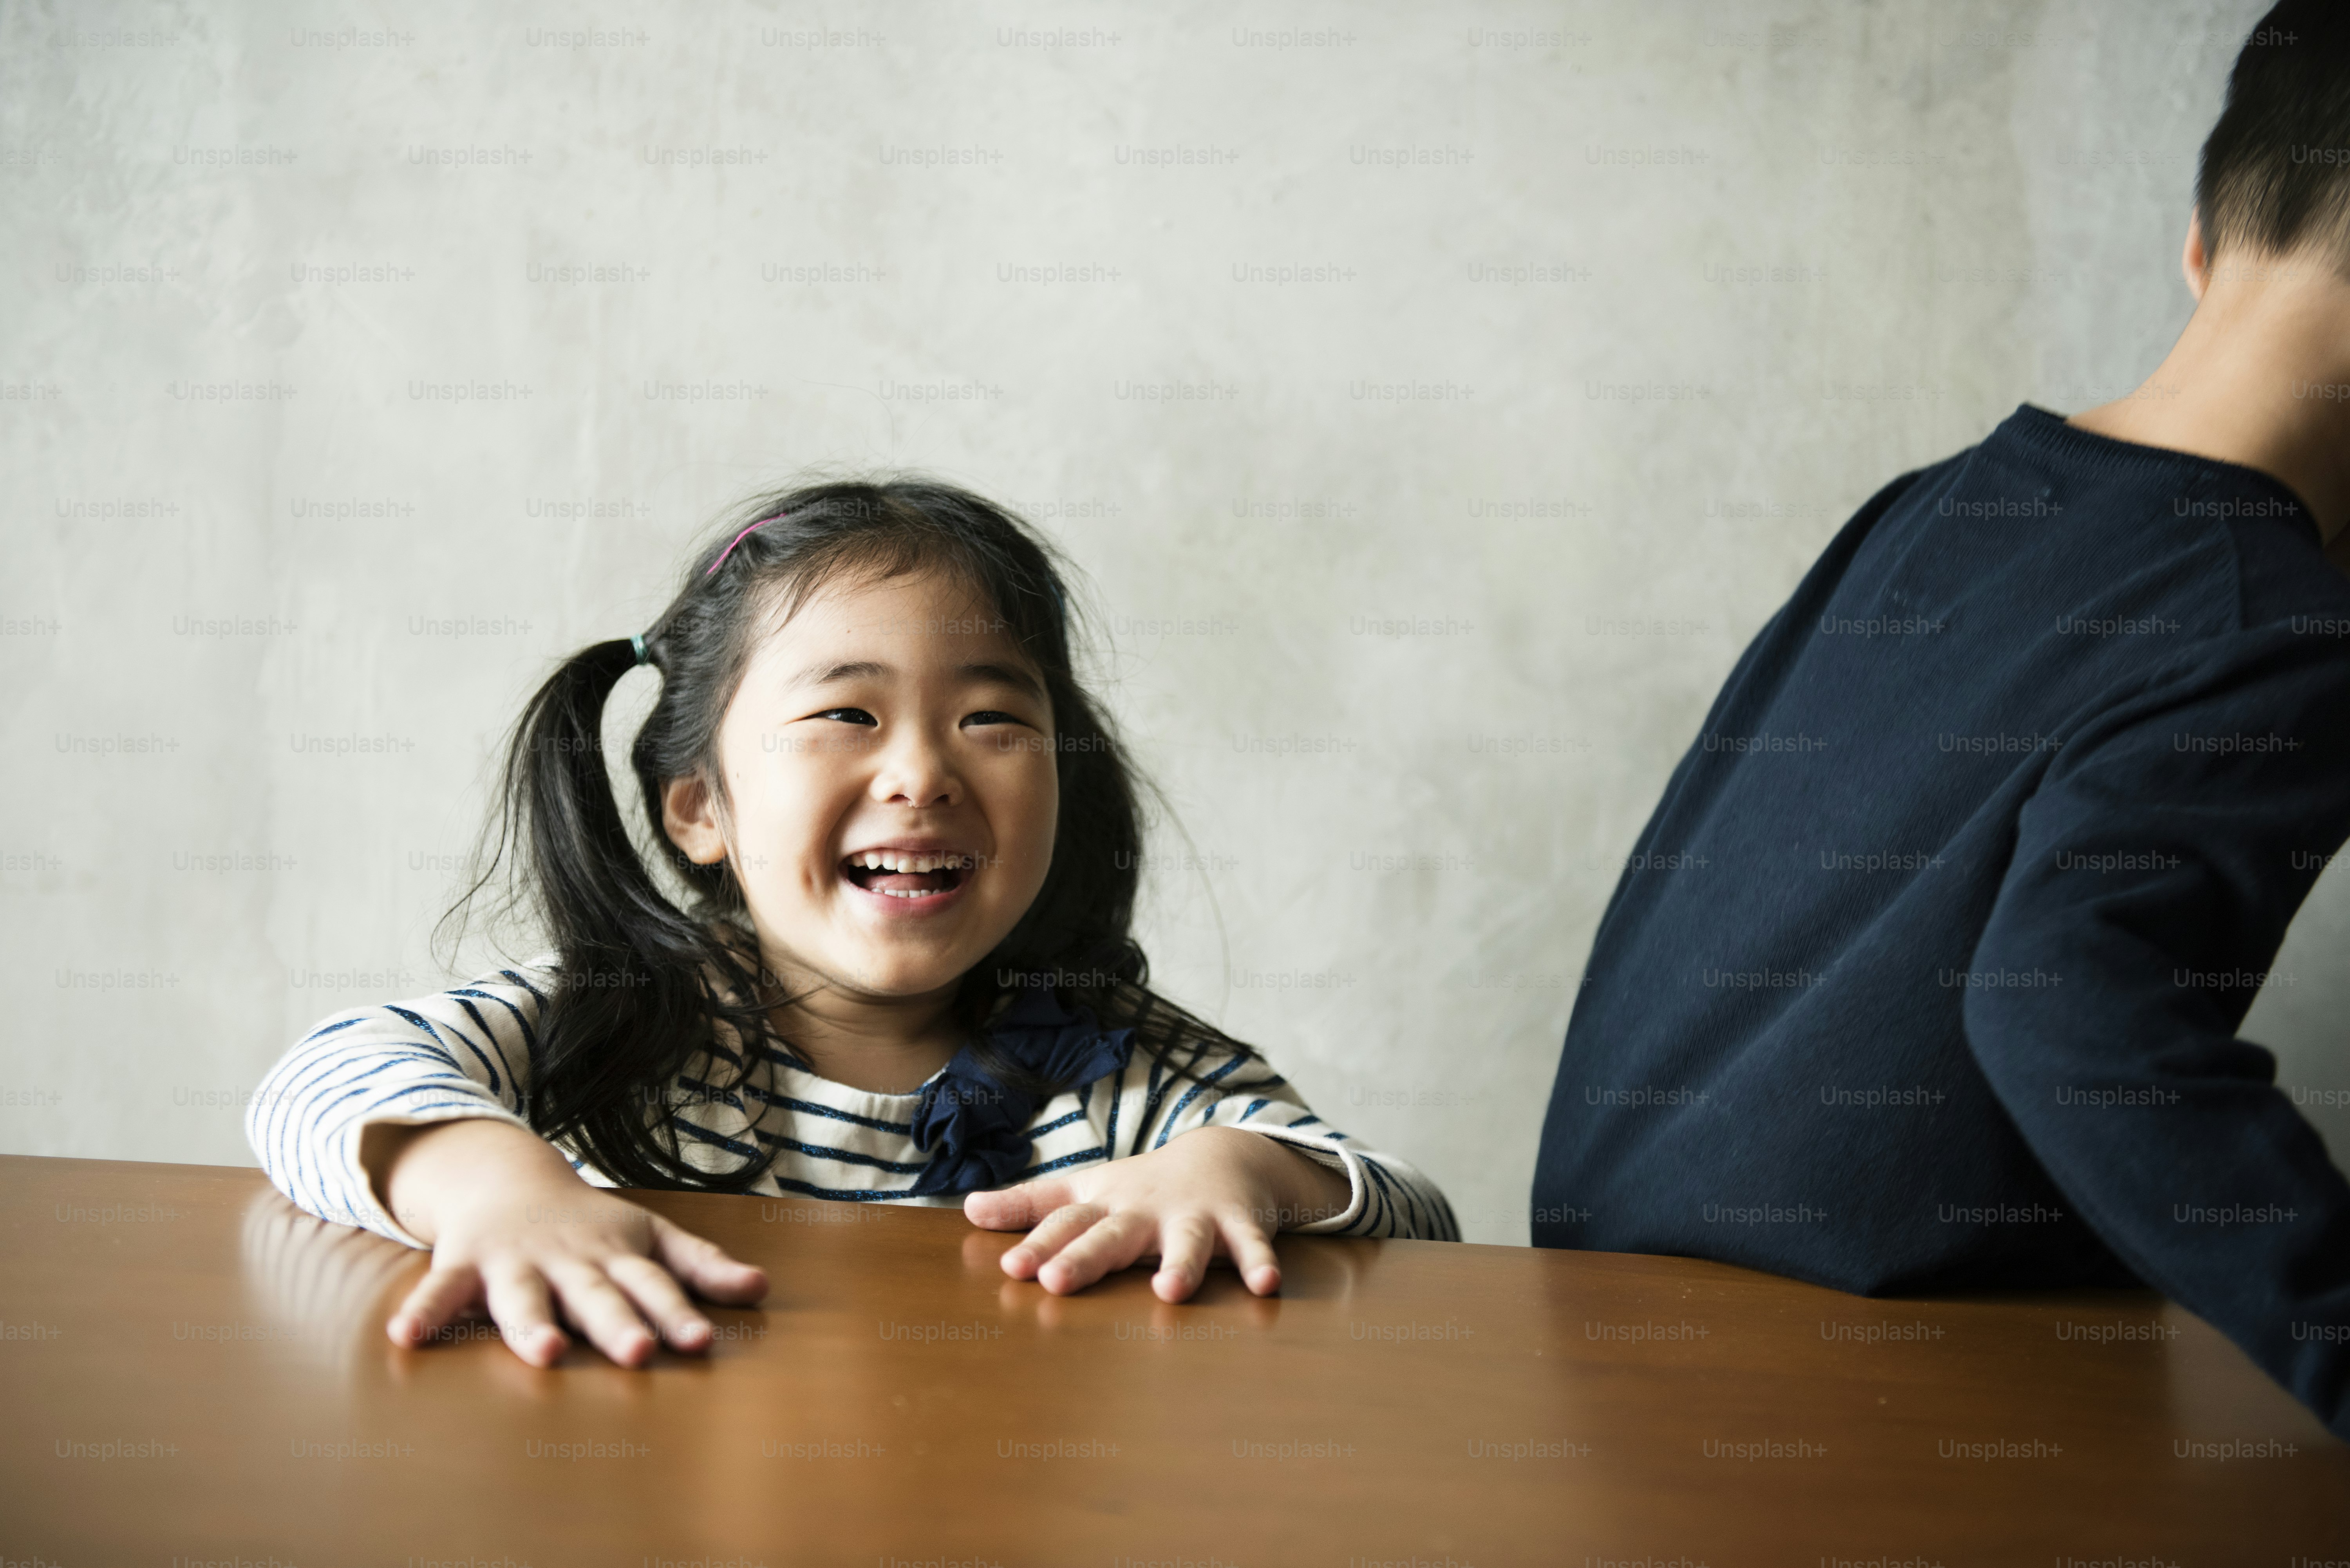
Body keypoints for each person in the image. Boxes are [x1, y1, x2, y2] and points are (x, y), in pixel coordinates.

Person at [1534, 0, 2350, 1436]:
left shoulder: (1934, 506)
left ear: (2203, 246)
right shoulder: (2277, 621)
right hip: (1881, 1414)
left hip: (1602, 1339)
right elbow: (2071, 1008)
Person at [249, 479, 1455, 1368]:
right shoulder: (623, 1017)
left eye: (992, 718)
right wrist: (495, 1191)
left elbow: (1416, 1216)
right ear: (701, 808)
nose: (923, 772)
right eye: (844, 713)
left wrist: (1237, 1168)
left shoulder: (1115, 1064)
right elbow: (319, 1079)